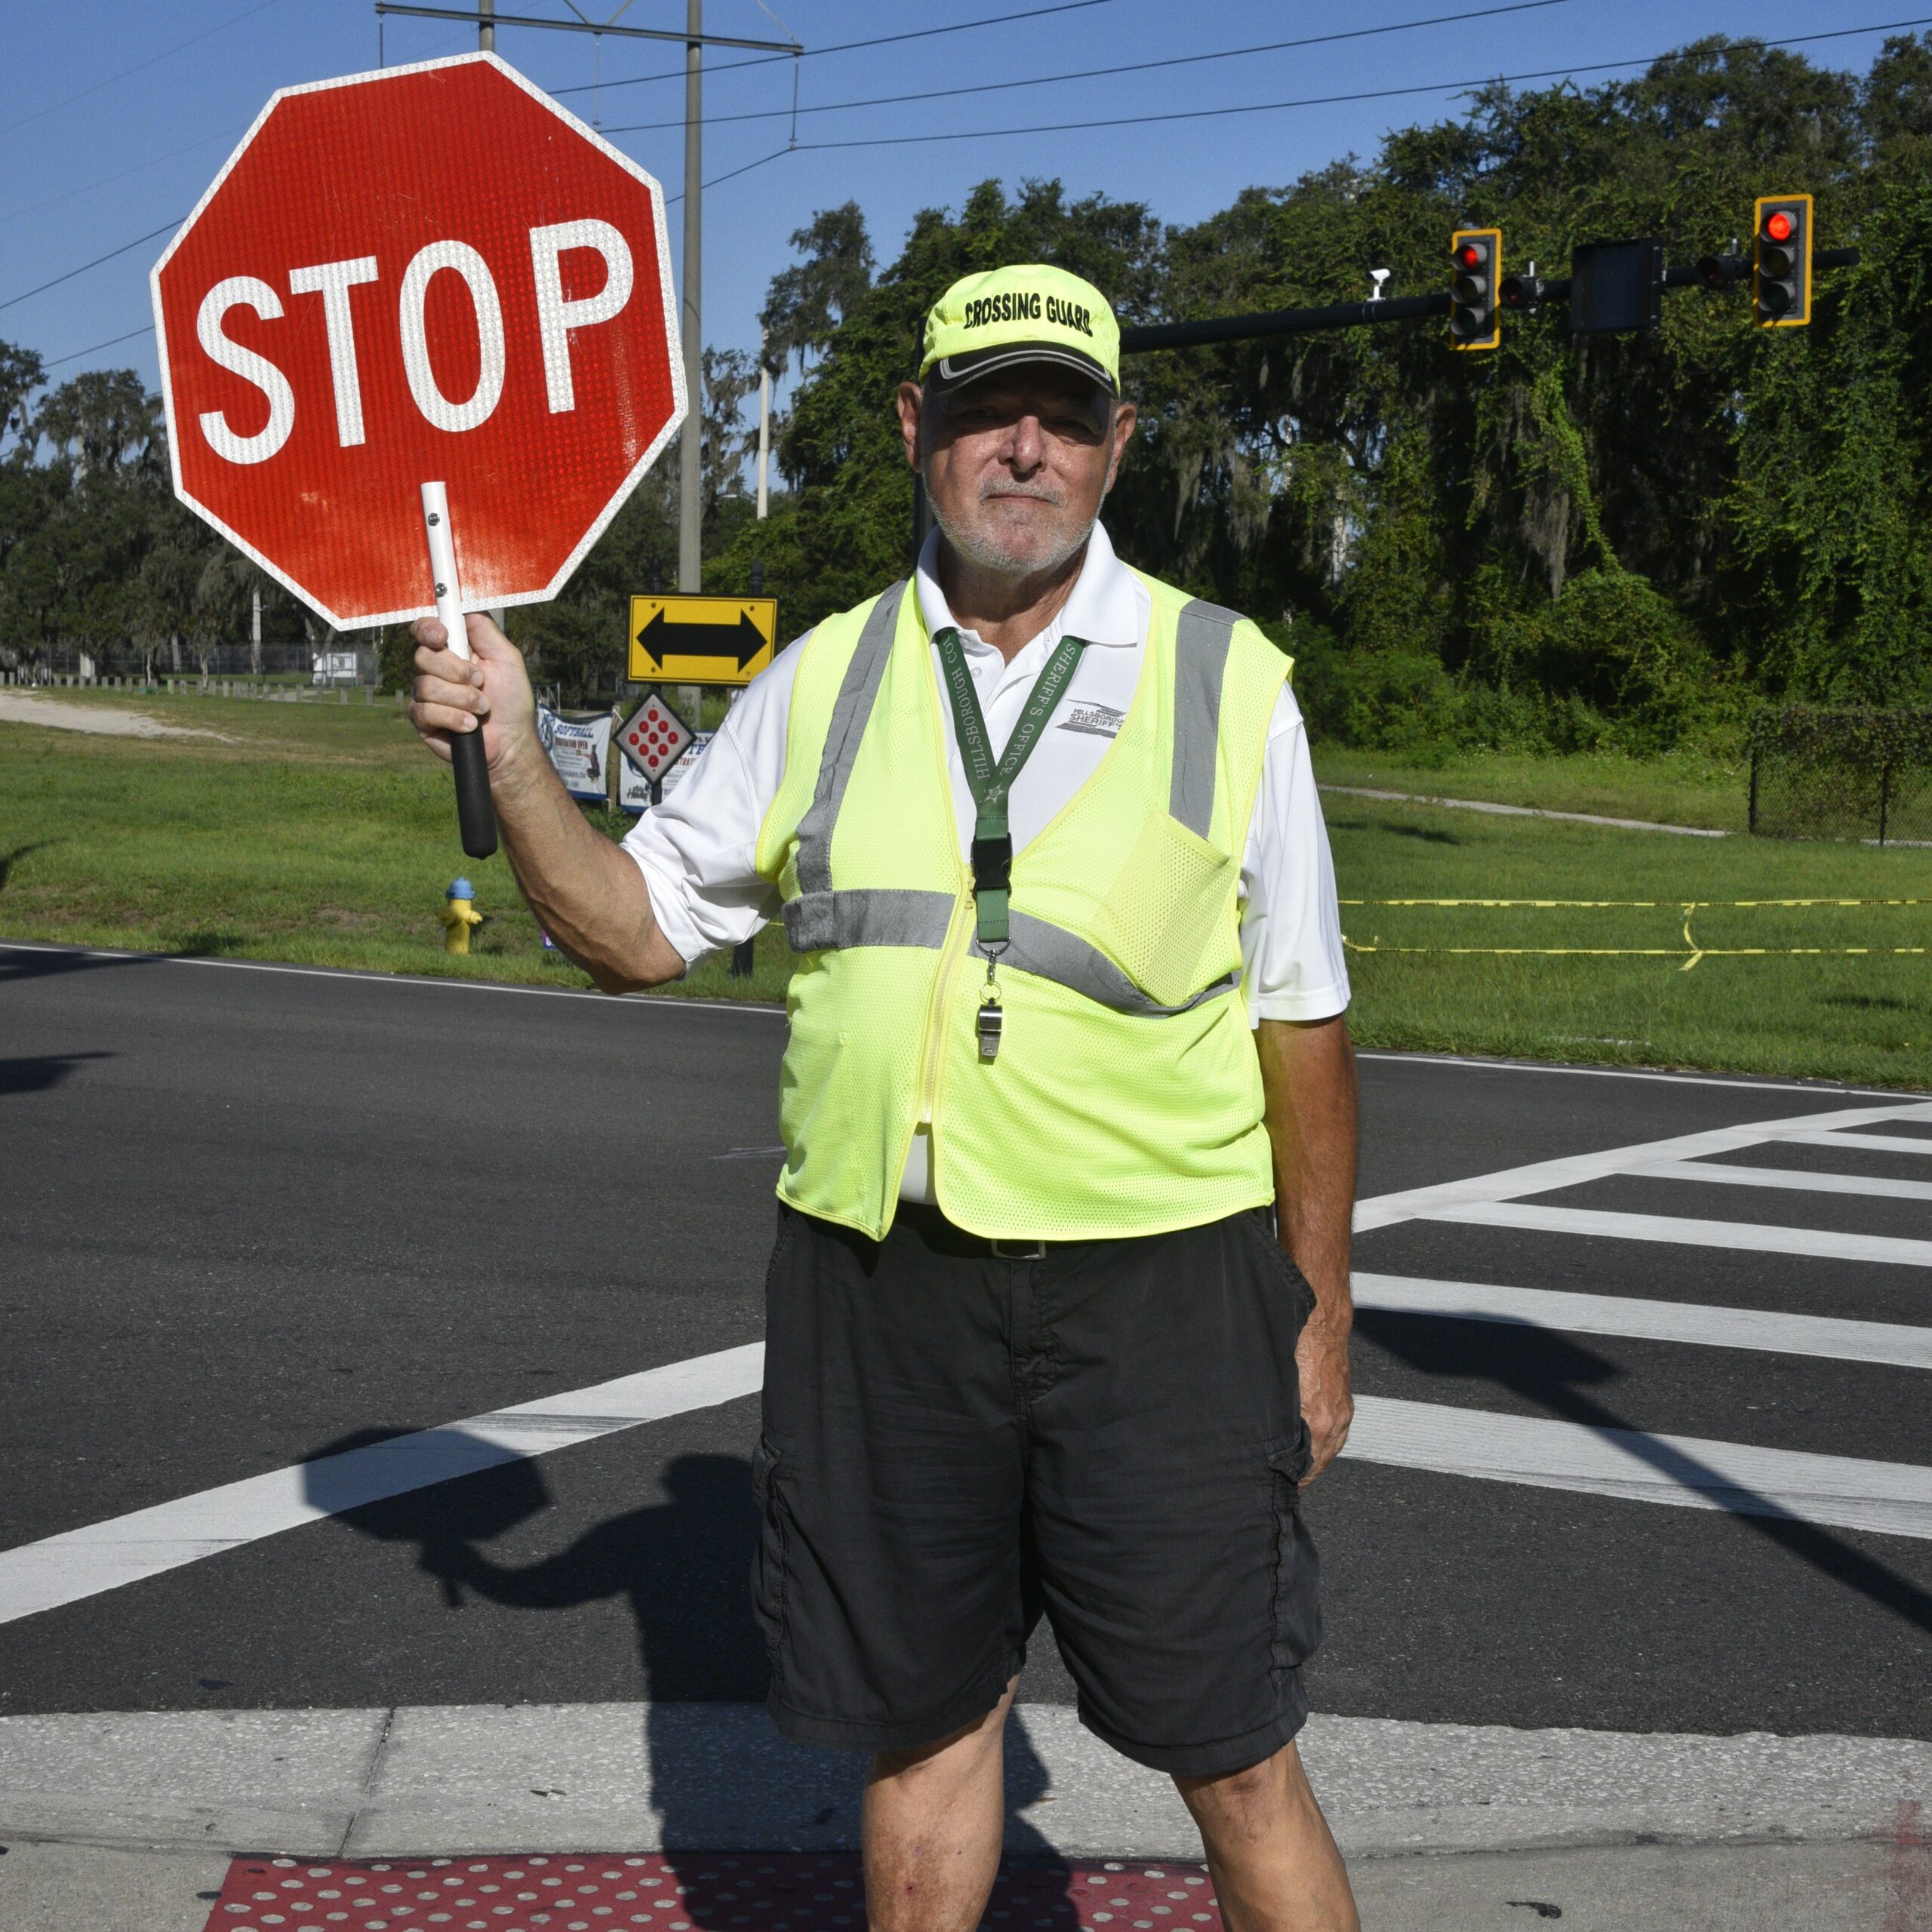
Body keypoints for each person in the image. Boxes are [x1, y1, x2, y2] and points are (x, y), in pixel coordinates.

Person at [409, 262, 1360, 1932]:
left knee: (1231, 1748)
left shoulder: (1230, 681)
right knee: (919, 1728)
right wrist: (506, 748)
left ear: (1116, 442)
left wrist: (1320, 1303)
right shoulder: (826, 674)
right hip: (881, 1283)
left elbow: (1302, 1021)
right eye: (986, 409)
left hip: (1160, 1289)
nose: (1023, 450)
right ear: (915, 425)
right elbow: (633, 927)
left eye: (1062, 418)